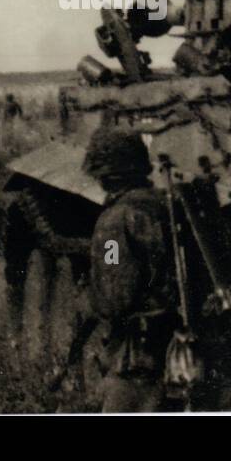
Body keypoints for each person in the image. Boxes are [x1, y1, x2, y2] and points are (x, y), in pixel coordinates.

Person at [84, 125, 176, 412]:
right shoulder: (169, 206)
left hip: (138, 358)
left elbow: (115, 298)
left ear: (106, 176)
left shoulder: (116, 220)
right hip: (182, 352)